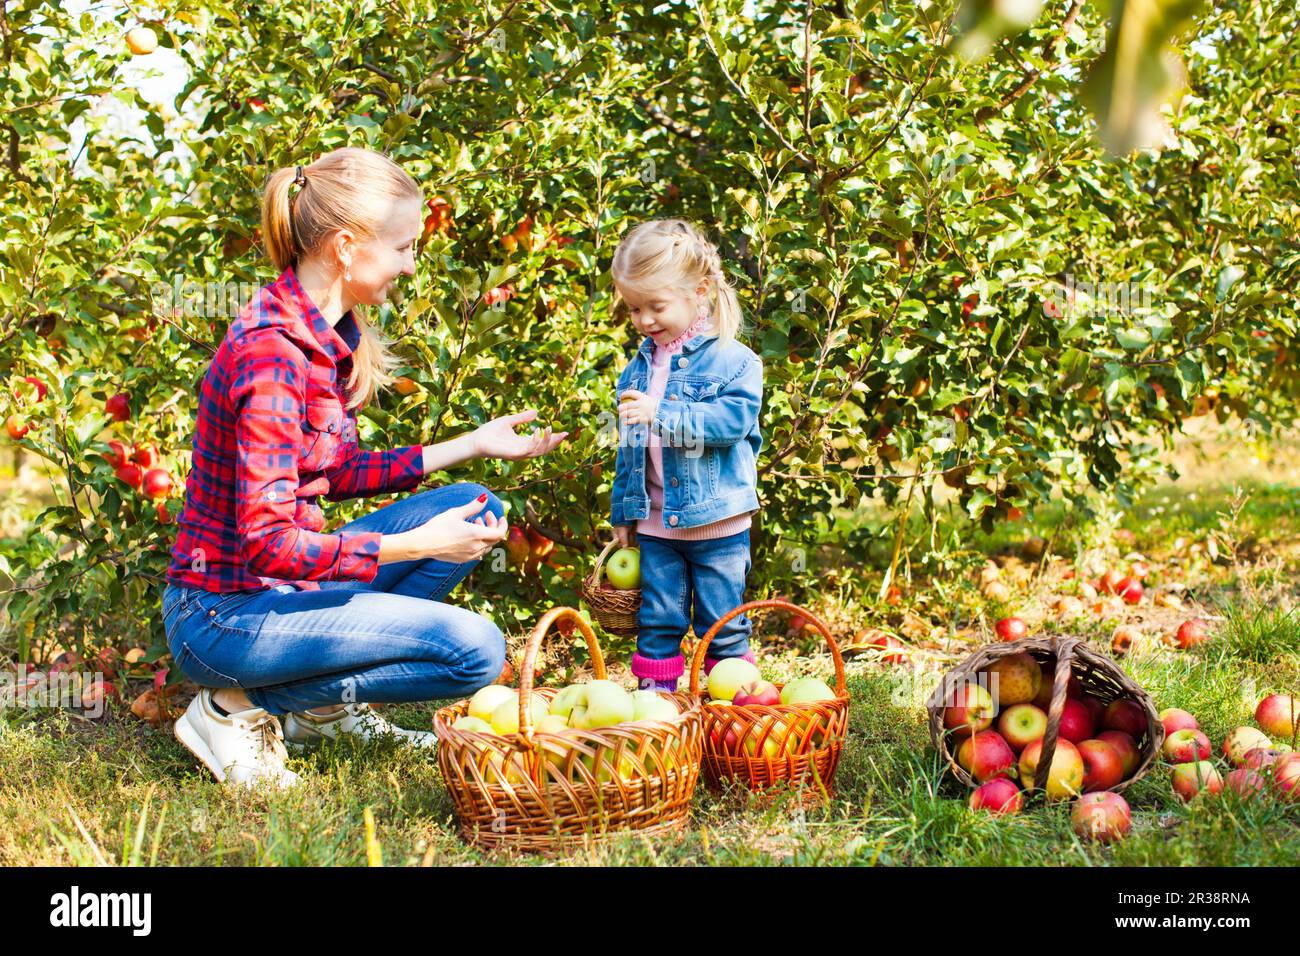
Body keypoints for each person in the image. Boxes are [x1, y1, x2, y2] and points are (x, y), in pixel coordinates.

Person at [162, 147, 568, 790]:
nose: (410, 263)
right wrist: (416, 544)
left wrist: (472, 444)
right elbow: (268, 544)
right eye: (404, 246)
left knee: (476, 502)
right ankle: (233, 707)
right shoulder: (273, 357)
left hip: (278, 600)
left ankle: (319, 710)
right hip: (222, 617)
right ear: (347, 247)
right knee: (476, 651)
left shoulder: (327, 334)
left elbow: (338, 471)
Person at [608, 219, 764, 692]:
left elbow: (730, 425)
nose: (644, 320)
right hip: (657, 525)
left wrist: (664, 413)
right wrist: (624, 511)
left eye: (656, 306)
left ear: (699, 292)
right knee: (657, 621)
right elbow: (629, 447)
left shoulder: (734, 361)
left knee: (723, 624)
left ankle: (733, 707)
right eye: (634, 309)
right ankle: (659, 711)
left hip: (717, 525)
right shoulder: (638, 366)